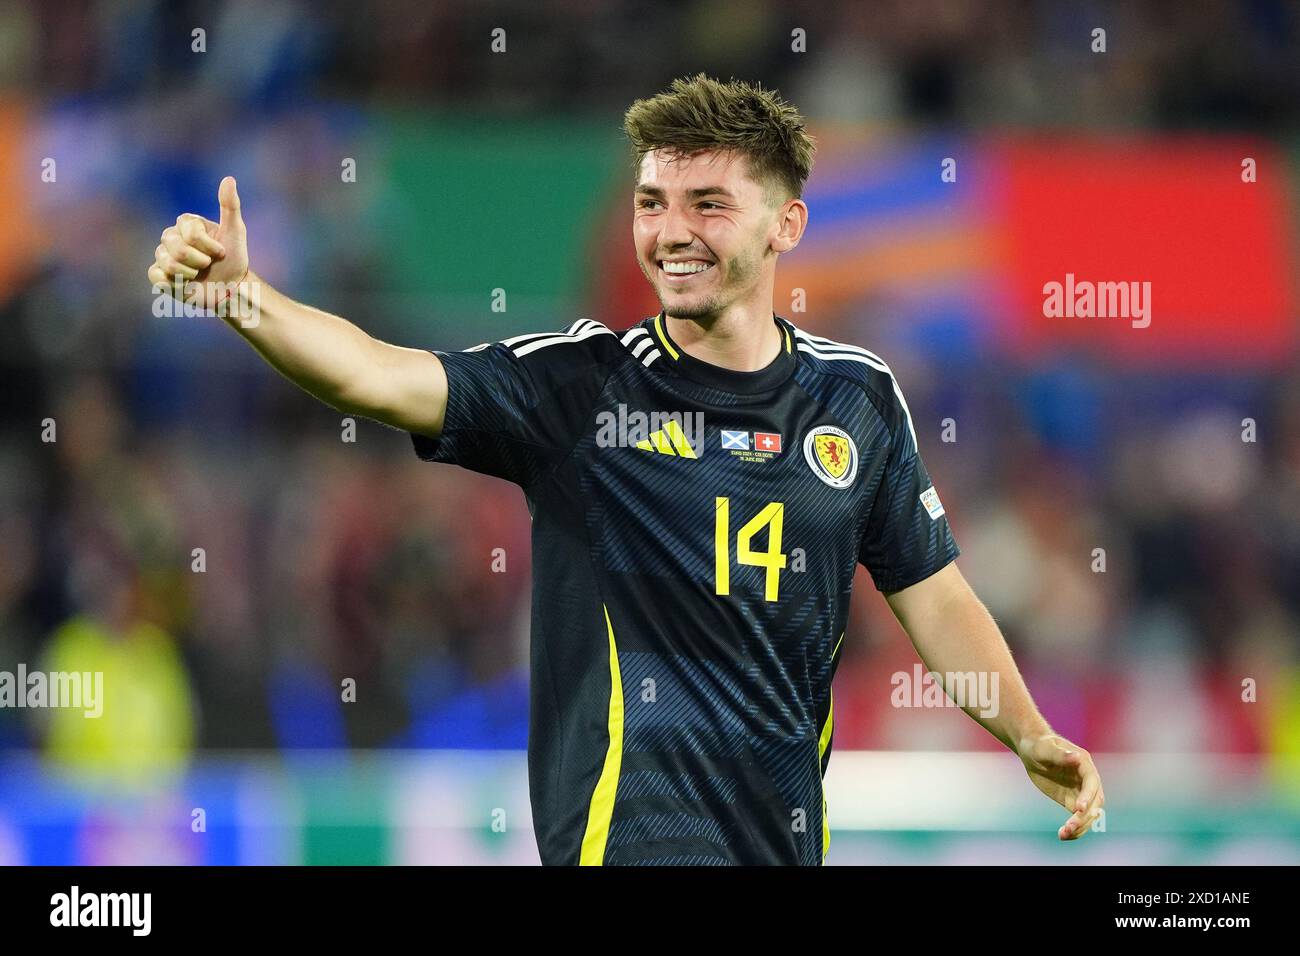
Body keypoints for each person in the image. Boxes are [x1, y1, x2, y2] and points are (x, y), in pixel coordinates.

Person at [147, 73, 1103, 865]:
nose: (670, 231)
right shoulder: (581, 391)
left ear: (787, 225)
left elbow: (933, 597)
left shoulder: (856, 399)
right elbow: (377, 376)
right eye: (652, 203)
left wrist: (1026, 731)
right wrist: (245, 300)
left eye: (707, 204)